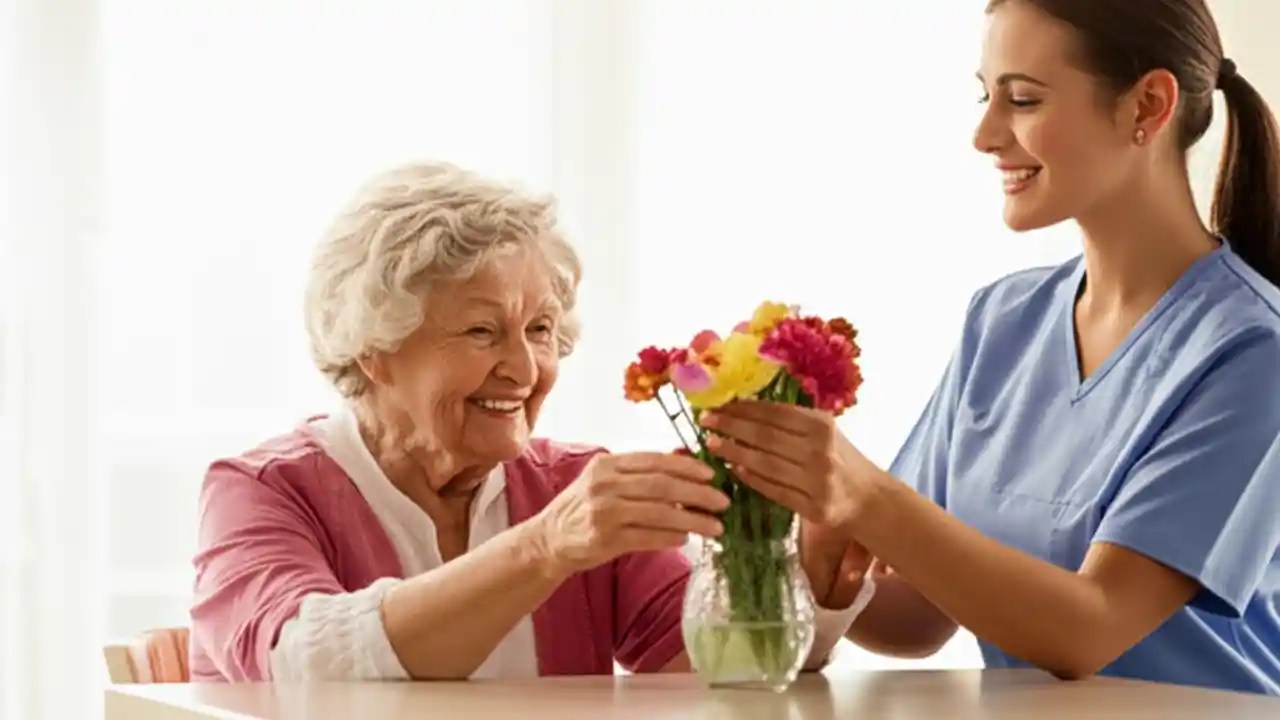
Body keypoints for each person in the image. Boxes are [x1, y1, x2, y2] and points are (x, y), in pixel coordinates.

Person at [702, 0, 1280, 696]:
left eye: (1023, 99)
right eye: (986, 95)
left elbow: (1086, 629)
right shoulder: (1004, 320)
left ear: (1147, 107)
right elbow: (919, 616)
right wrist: (810, 538)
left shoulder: (1253, 350)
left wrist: (865, 495)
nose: (983, 134)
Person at [188, 162, 868, 682]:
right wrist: (545, 547)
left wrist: (799, 566)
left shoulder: (575, 485)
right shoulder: (262, 490)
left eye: (541, 329)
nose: (524, 367)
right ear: (374, 352)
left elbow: (716, 671)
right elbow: (304, 664)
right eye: (483, 331)